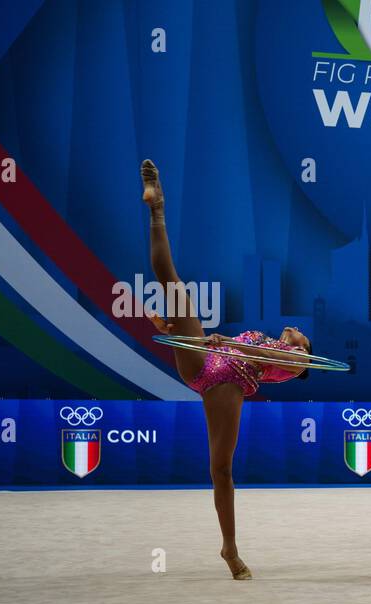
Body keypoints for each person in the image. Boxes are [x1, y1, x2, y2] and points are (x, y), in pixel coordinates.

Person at [141, 159, 312, 579]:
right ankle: (157, 206)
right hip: (206, 361)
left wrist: (230, 343)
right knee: (172, 283)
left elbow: (277, 360)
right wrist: (185, 331)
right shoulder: (266, 338)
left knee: (221, 469)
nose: (295, 328)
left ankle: (230, 549)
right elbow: (241, 347)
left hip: (226, 385)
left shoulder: (296, 363)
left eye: (302, 332)